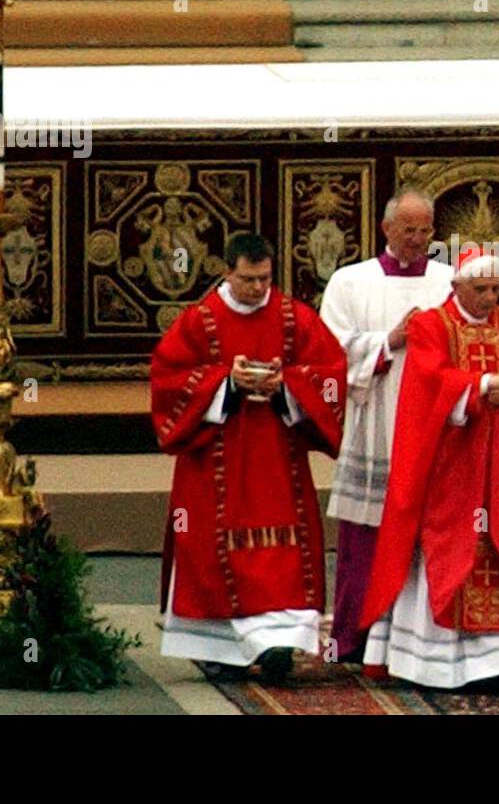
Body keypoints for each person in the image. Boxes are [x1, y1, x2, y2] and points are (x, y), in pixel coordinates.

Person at [360, 246, 499, 689]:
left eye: (496, 288)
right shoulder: (430, 326)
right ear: (456, 286)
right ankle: (437, 663)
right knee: (451, 551)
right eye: (479, 289)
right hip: (449, 466)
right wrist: (482, 387)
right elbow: (428, 383)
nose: (489, 298)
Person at [150, 232, 347, 680]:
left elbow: (332, 374)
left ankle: (277, 644)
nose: (259, 289)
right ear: (227, 273)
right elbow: (167, 380)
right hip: (215, 455)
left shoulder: (294, 318)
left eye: (265, 279)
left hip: (276, 454)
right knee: (208, 544)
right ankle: (219, 648)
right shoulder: (200, 322)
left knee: (282, 549)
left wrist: (290, 385)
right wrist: (225, 383)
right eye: (248, 280)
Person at [318, 190, 454, 662]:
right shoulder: (350, 281)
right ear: (386, 228)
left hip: (431, 425)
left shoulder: (449, 282)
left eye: (425, 231)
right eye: (408, 230)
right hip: (376, 418)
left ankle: (422, 639)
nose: (417, 240)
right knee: (368, 537)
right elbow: (329, 352)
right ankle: (355, 638)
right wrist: (389, 341)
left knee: (430, 535)